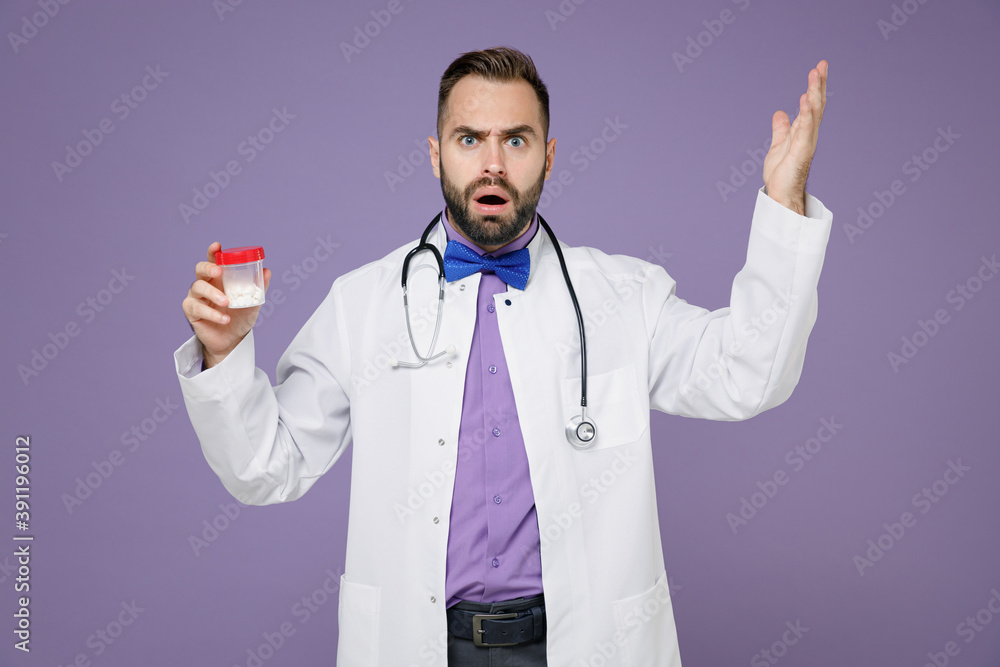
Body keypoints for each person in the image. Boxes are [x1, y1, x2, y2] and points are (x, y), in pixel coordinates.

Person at [175, 46, 831, 666]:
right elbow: (267, 467)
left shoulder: (623, 295)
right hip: (420, 642)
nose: (493, 164)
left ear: (549, 155)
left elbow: (748, 373)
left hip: (581, 642)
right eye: (469, 140)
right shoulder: (363, 303)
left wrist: (784, 201)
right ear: (435, 154)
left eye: (516, 140)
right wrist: (223, 353)